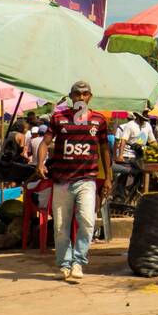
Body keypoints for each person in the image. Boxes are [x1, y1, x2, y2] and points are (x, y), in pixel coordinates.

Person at [36, 81, 111, 284]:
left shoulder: (99, 120)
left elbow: (105, 149)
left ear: (90, 96)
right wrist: (40, 163)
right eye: (77, 94)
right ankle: (65, 264)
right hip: (61, 181)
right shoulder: (58, 118)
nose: (81, 97)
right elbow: (45, 142)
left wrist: (109, 178)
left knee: (87, 222)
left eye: (84, 94)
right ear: (71, 96)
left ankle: (78, 261)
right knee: (61, 226)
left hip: (87, 180)